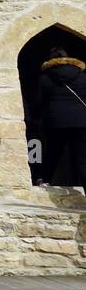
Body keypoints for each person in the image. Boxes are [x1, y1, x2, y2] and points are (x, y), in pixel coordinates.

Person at [37, 47, 86, 186]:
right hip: (82, 122)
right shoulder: (83, 77)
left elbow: (38, 101)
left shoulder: (45, 78)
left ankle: (45, 180)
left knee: (52, 153)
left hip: (55, 122)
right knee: (83, 159)